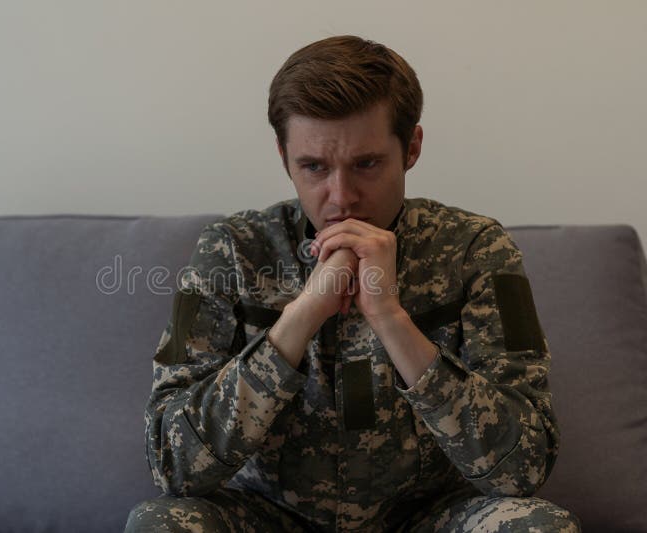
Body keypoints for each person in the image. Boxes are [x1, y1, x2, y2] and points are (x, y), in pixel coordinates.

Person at [125, 35, 581, 532]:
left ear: (411, 148)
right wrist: (301, 316)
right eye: (314, 167)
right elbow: (170, 462)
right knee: (162, 523)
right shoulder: (231, 252)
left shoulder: (477, 250)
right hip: (270, 519)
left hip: (426, 520)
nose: (341, 196)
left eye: (366, 164)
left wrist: (391, 318)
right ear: (283, 158)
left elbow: (524, 467)